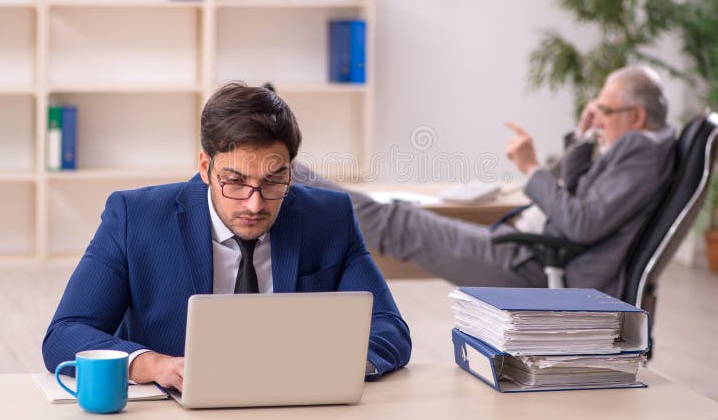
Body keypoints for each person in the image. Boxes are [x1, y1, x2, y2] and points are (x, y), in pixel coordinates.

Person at [42, 83, 412, 390]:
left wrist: (331, 368)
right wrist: (153, 366)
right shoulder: (134, 217)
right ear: (205, 166)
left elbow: (389, 329)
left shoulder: (329, 218)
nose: (254, 204)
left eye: (273, 181)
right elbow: (65, 334)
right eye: (235, 181)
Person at [293, 66, 676, 297]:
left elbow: (581, 223)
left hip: (534, 265)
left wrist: (530, 167)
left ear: (637, 116)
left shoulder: (641, 150)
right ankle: (294, 179)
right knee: (401, 216)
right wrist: (582, 136)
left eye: (606, 111)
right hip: (532, 249)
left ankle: (290, 176)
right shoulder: (643, 147)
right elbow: (578, 197)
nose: (600, 117)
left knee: (399, 222)